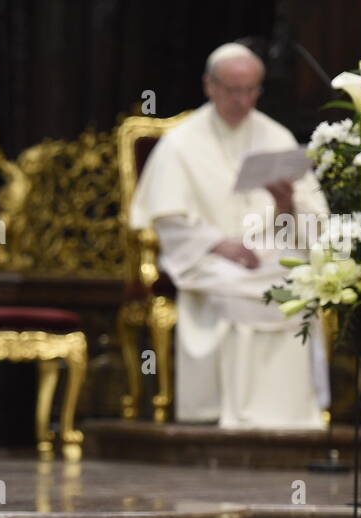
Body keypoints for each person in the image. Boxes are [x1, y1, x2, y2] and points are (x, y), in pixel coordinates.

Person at [129, 42, 329, 429]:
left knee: (296, 282)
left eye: (251, 90)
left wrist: (286, 205)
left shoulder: (277, 137)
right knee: (235, 285)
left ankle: (290, 414)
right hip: (208, 257)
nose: (243, 100)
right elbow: (168, 221)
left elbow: (312, 224)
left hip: (268, 254)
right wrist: (222, 246)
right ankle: (229, 410)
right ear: (210, 86)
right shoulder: (180, 143)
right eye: (233, 90)